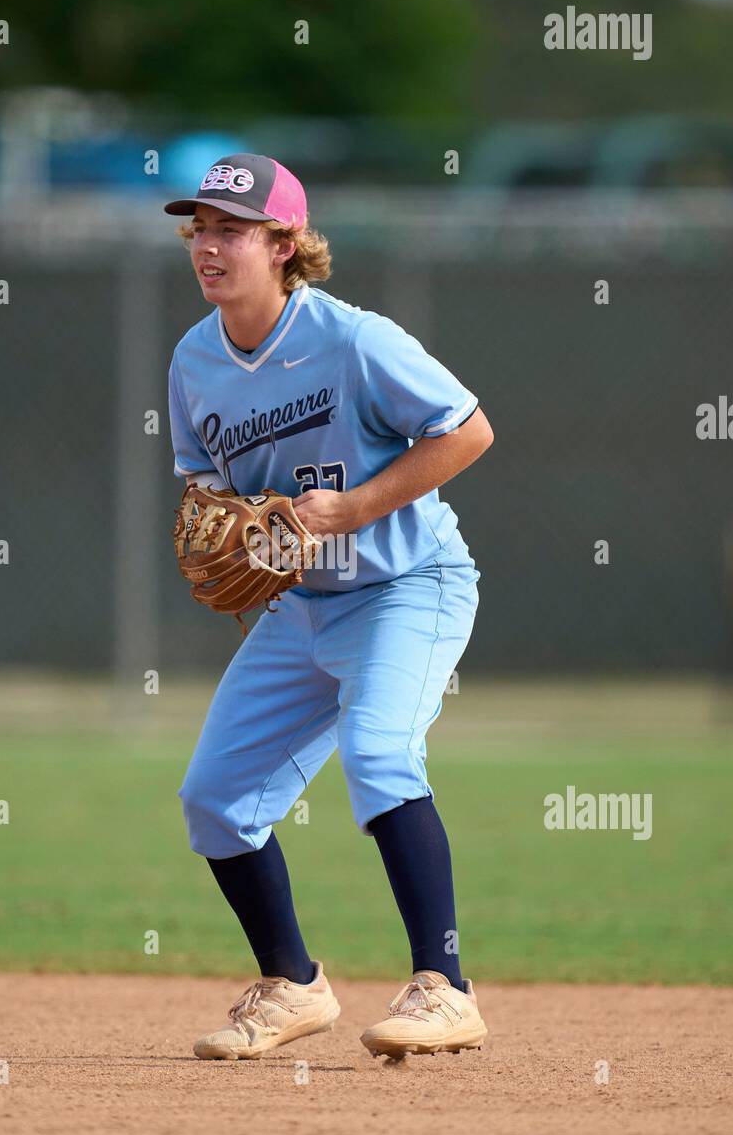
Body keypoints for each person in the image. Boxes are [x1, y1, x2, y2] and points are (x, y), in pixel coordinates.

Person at [165, 154, 494, 1061]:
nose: (208, 245)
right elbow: (208, 496)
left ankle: (445, 989)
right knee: (216, 800)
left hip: (404, 585)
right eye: (199, 228)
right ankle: (293, 986)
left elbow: (468, 430)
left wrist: (351, 509)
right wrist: (239, 539)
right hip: (302, 605)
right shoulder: (195, 360)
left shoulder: (354, 339)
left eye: (230, 229)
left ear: (283, 244)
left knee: (380, 751)